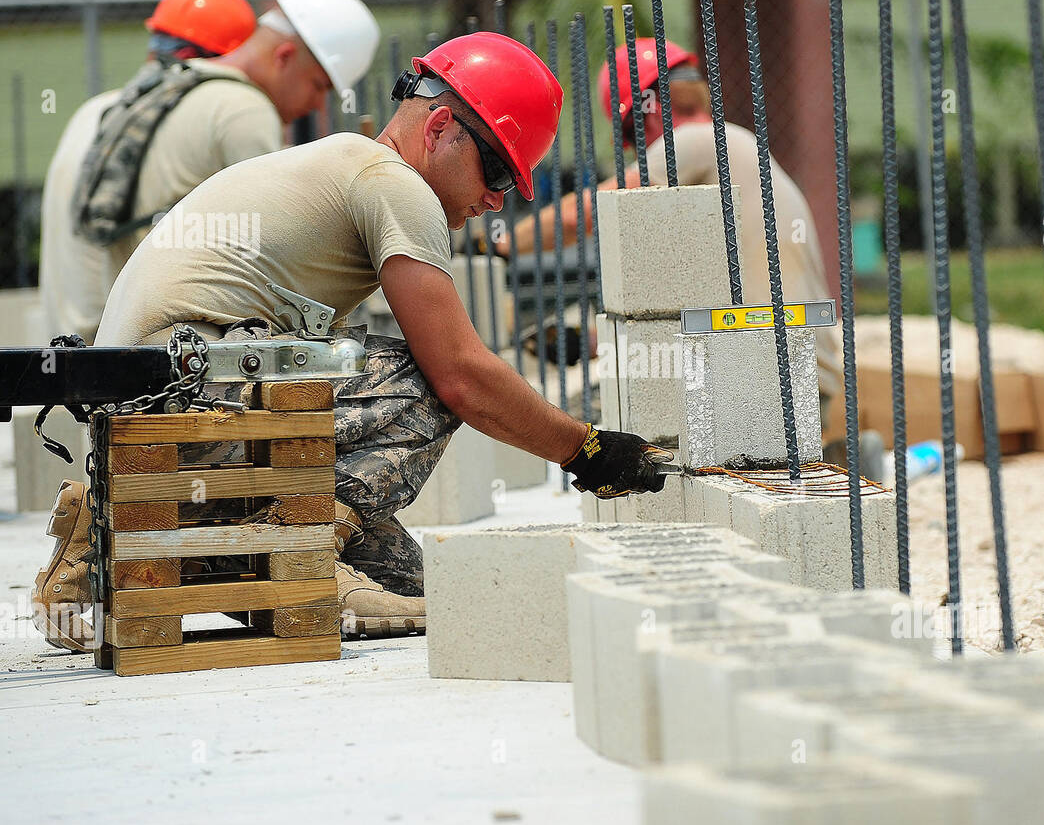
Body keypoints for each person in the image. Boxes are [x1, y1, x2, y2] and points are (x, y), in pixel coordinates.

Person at [33, 33, 670, 653]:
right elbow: (462, 378)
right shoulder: (393, 184)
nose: (496, 199)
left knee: (419, 592)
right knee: (427, 386)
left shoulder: (346, 166)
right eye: (498, 169)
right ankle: (289, 551)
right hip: (185, 392)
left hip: (153, 403)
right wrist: (584, 450)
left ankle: (104, 542)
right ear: (441, 126)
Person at [500, 37, 845, 405]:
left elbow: (584, 215)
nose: (637, 150)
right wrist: (597, 342)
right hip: (792, 371)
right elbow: (691, 296)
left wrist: (499, 244)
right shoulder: (734, 150)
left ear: (649, 110)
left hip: (771, 379)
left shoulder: (695, 140)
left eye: (632, 135)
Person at [39, 0, 379, 342]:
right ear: (283, 57)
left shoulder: (112, 105)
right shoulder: (243, 109)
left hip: (75, 349)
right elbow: (278, 254)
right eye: (318, 86)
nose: (315, 105)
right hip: (146, 357)